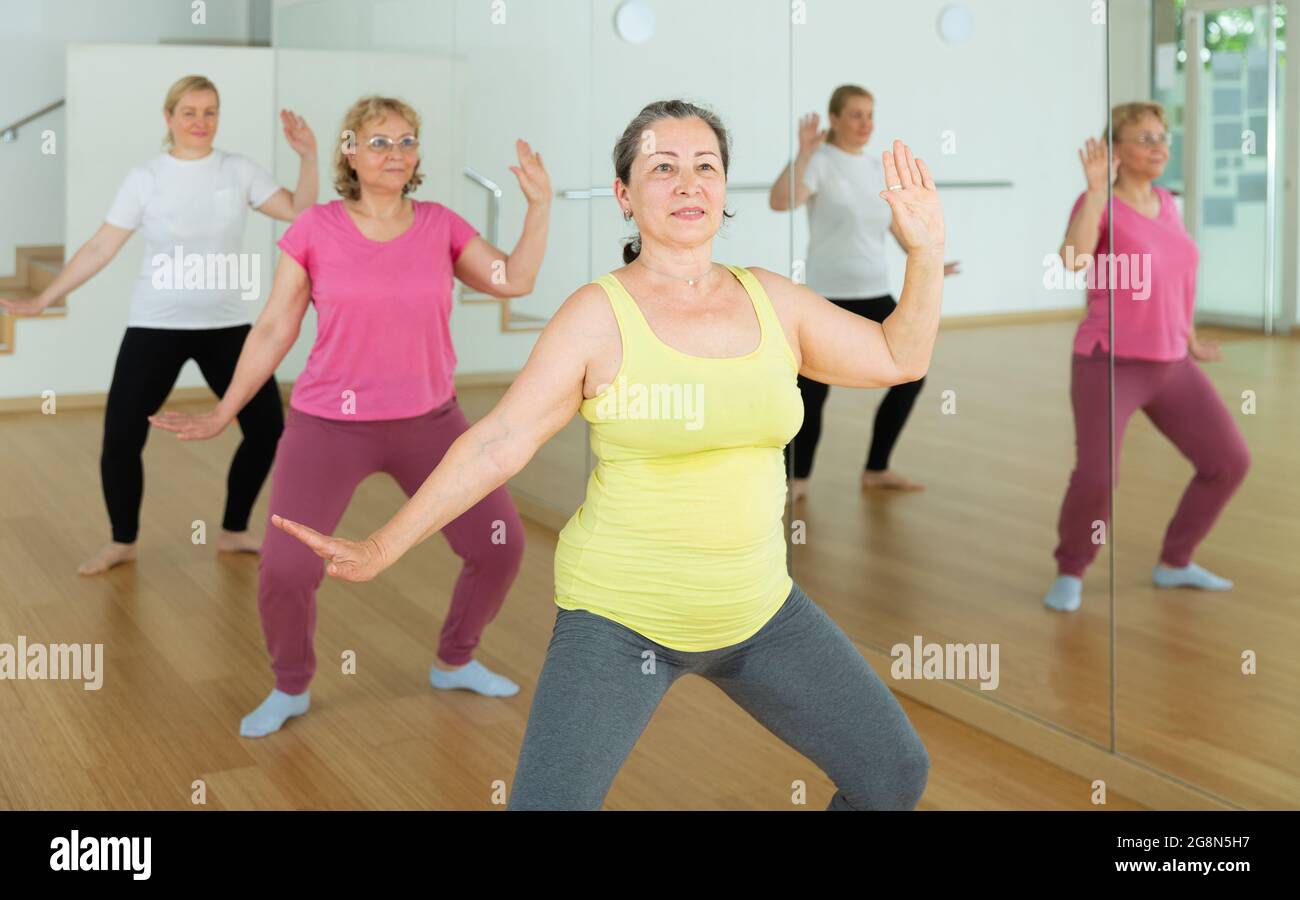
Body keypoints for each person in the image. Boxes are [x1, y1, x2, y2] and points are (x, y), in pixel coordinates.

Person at [271, 99, 944, 810]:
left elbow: (898, 356)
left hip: (760, 612)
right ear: (625, 196)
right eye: (663, 167)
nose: (689, 183)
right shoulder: (597, 315)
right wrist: (382, 544)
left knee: (892, 773)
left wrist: (925, 253)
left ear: (723, 189)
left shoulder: (774, 300)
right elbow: (502, 440)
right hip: (620, 622)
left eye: (705, 166)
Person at [150, 95, 552, 736]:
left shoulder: (442, 225)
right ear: (351, 153)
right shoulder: (313, 228)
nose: (396, 153)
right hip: (326, 426)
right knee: (286, 569)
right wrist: (226, 408)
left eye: (406, 141)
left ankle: (455, 659)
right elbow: (276, 325)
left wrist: (538, 207)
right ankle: (290, 686)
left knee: (499, 546)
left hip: (431, 424)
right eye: (380, 141)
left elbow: (514, 280)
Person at [1, 74, 318, 575]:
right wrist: (45, 296)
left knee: (267, 429)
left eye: (210, 111)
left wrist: (307, 158)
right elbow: (102, 246)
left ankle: (235, 529)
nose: (200, 121)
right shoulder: (146, 177)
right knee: (121, 437)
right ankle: (122, 540)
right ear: (168, 118)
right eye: (189, 112)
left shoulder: (238, 170)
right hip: (156, 326)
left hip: (227, 327)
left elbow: (302, 215)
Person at [1045, 101, 1250, 612]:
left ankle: (1175, 562)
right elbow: (1072, 260)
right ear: (1116, 150)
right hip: (1108, 361)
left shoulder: (1168, 202)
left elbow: (1177, 280)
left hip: (1172, 363)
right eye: (1146, 138)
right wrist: (1095, 193)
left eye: (1163, 137)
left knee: (1228, 461)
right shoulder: (1098, 204)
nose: (1160, 147)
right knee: (1097, 476)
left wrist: (1190, 337)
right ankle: (1071, 569)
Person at [769, 85, 959, 499]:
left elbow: (895, 227)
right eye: (855, 114)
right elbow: (780, 202)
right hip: (826, 297)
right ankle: (795, 480)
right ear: (834, 118)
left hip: (874, 291)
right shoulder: (818, 163)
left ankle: (876, 468)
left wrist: (927, 260)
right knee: (812, 393)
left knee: (912, 374)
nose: (864, 124)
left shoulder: (876, 170)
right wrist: (802, 154)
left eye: (869, 115)